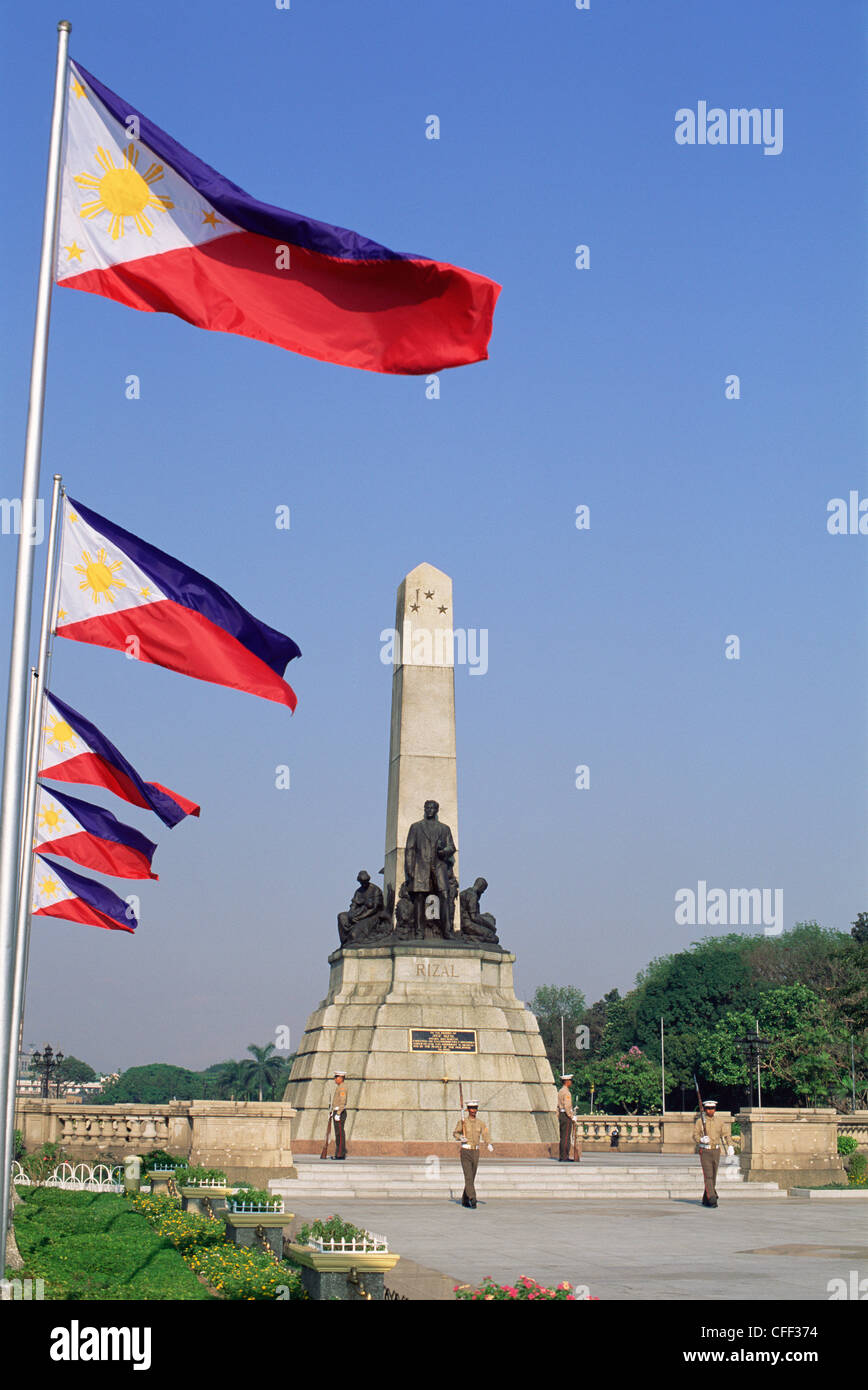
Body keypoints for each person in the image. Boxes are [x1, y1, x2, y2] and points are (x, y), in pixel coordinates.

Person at [404, 800, 457, 937]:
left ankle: (447, 930)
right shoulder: (416, 827)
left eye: (432, 808)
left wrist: (444, 851)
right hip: (421, 867)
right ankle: (419, 931)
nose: (429, 810)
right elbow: (410, 849)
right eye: (427, 807)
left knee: (444, 896)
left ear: (436, 810)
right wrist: (410, 868)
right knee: (420, 897)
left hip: (439, 866)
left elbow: (452, 847)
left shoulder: (444, 829)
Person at [692, 1099, 733, 1207]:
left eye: (712, 1108)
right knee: (708, 1175)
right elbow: (695, 1135)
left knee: (713, 1175)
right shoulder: (700, 1121)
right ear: (705, 1109)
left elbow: (726, 1134)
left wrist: (730, 1145)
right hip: (705, 1150)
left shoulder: (719, 1121)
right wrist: (701, 1139)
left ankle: (706, 1197)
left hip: (716, 1150)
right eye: (708, 1109)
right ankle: (712, 1198)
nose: (711, 1111)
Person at [452, 1100, 493, 1208]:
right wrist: (460, 1137)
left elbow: (485, 1133)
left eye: (475, 1108)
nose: (474, 1111)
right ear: (468, 1110)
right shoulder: (463, 1121)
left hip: (475, 1151)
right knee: (468, 1176)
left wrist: (488, 1143)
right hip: (466, 1150)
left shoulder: (480, 1123)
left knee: (472, 1176)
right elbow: (455, 1132)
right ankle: (472, 1198)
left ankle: (465, 1199)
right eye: (472, 1109)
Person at [331, 1069, 348, 1160]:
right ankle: (339, 1152)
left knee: (340, 1134)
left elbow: (342, 1101)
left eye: (336, 1077)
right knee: (338, 1133)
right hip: (337, 1111)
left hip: (340, 1112)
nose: (335, 1079)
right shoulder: (339, 1086)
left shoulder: (342, 1087)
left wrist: (338, 1113)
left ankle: (340, 1153)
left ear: (341, 1078)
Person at [557, 1074, 574, 1161]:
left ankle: (562, 1155)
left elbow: (558, 1105)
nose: (571, 1082)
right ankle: (564, 1156)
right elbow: (567, 1106)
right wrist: (571, 1116)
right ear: (567, 1082)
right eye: (570, 1081)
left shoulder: (560, 1091)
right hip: (565, 1115)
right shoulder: (566, 1092)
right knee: (566, 1136)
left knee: (563, 1136)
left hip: (561, 1114)